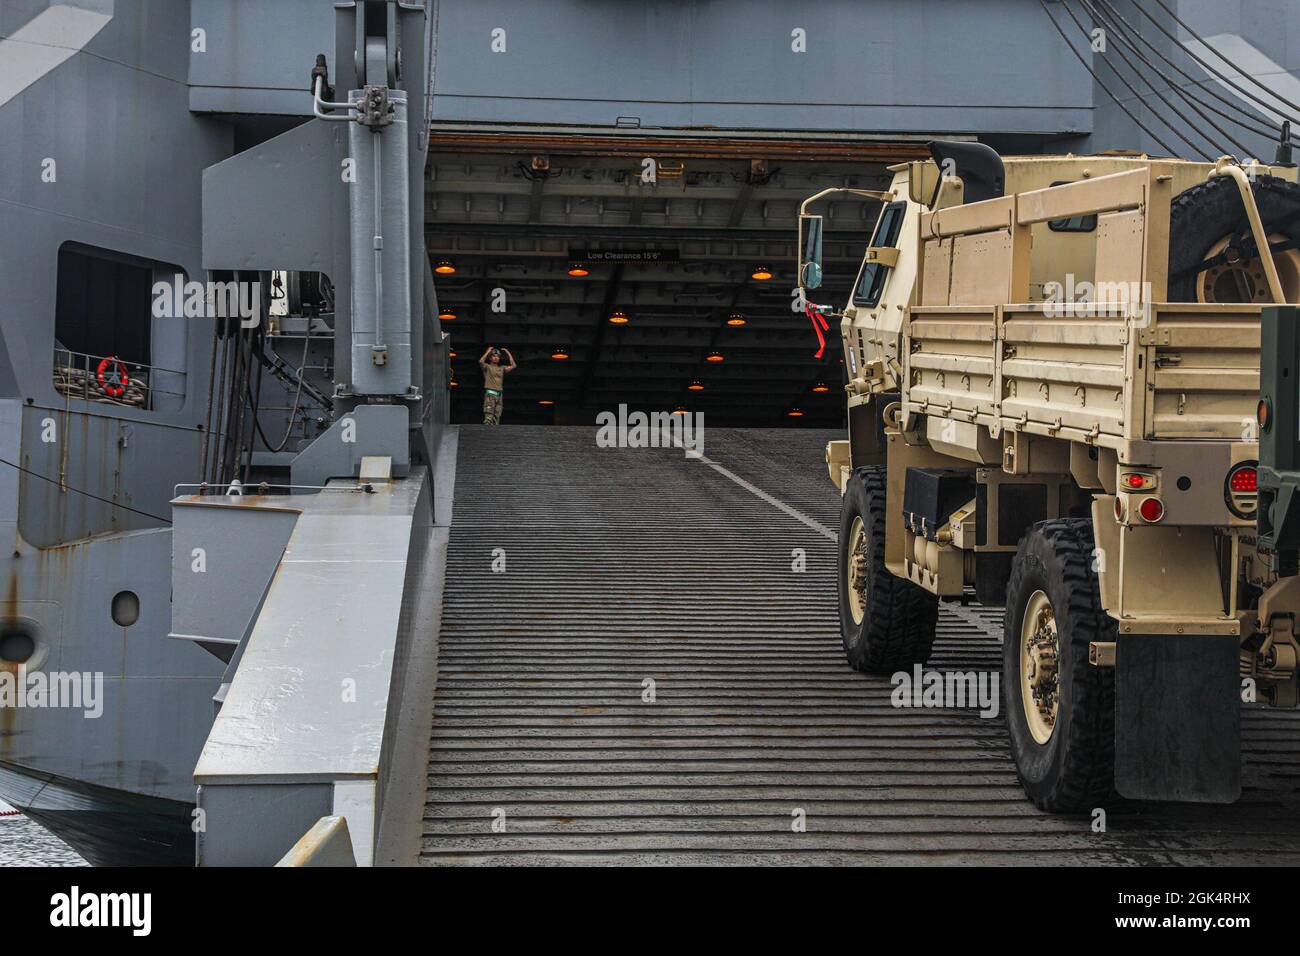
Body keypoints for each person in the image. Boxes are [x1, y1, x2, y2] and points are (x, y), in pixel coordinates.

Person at [479, 345, 516, 425]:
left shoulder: (502, 368)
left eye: (498, 356)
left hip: (499, 394)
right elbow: (481, 361)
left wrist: (508, 353)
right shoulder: (487, 367)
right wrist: (488, 352)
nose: (496, 358)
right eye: (494, 356)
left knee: (497, 417)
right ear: (490, 358)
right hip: (490, 393)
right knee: (488, 418)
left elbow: (513, 366)